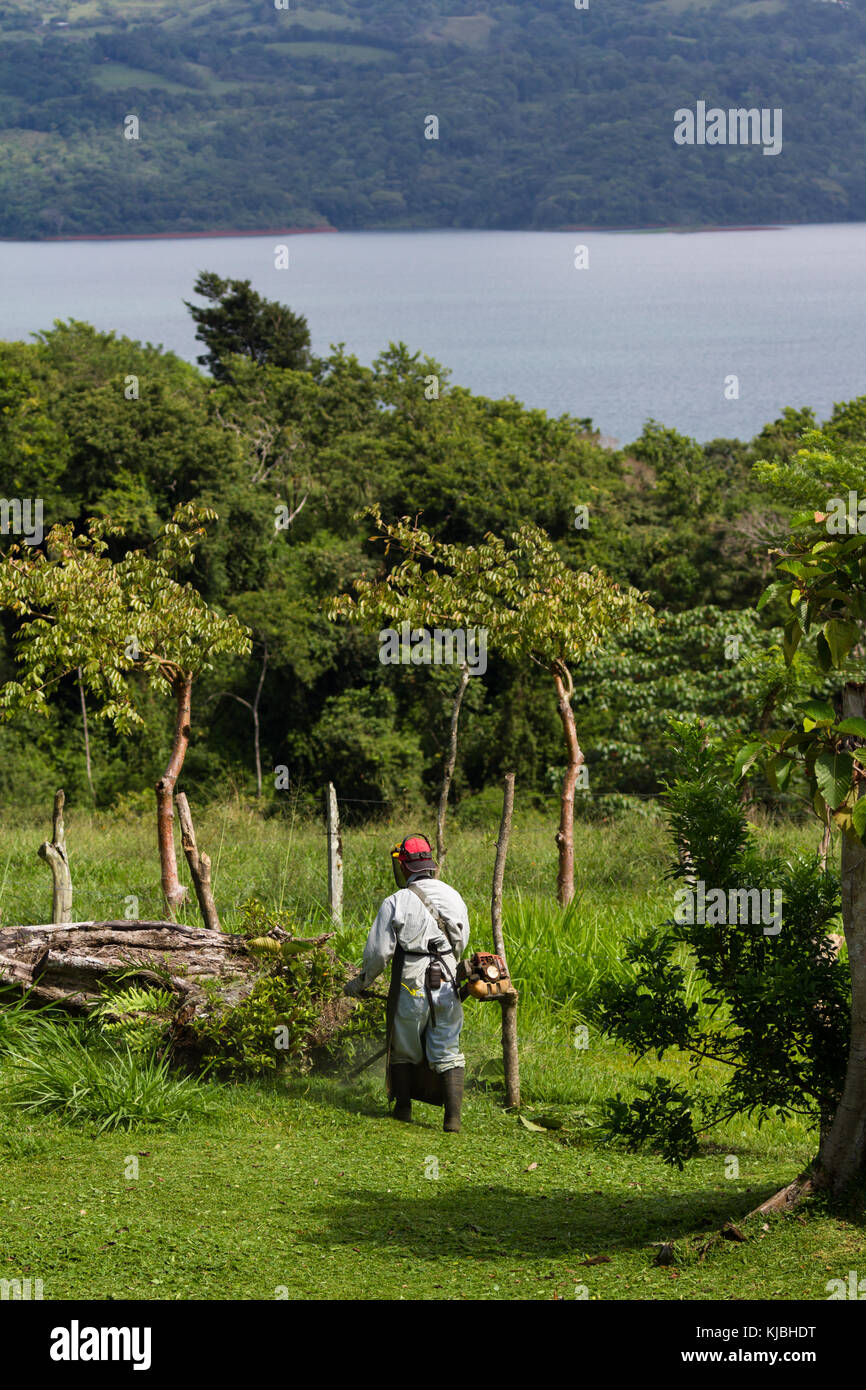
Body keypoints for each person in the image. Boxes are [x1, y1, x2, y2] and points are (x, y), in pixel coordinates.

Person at [344, 834, 470, 1132]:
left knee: (403, 1046)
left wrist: (361, 983)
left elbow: (379, 953)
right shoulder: (454, 896)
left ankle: (402, 1109)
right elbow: (460, 943)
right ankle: (452, 1120)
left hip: (411, 980)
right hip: (448, 977)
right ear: (429, 865)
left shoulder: (396, 901)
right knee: (448, 1046)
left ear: (404, 866)